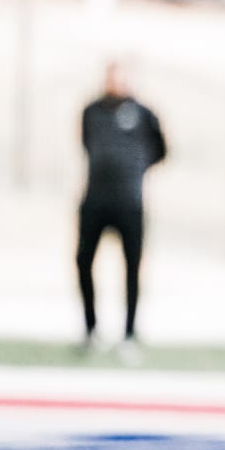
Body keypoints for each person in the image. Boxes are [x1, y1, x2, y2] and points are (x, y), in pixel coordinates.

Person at [76, 60, 166, 361]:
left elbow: (161, 150)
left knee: (131, 267)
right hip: (96, 199)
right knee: (85, 261)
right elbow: (85, 143)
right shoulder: (92, 111)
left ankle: (129, 333)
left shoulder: (144, 113)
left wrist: (135, 169)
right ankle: (90, 329)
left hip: (129, 202)